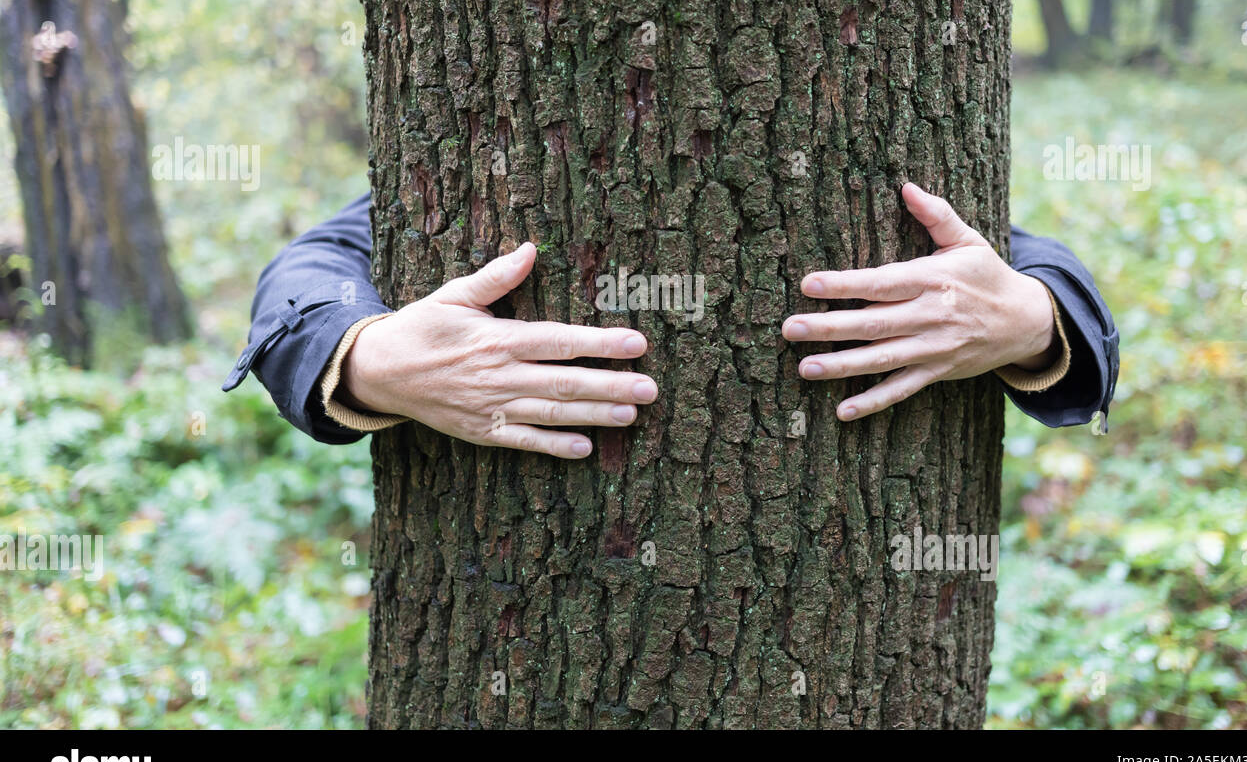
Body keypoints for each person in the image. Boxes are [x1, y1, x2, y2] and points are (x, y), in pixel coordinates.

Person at [223, 183, 1118, 456]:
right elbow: (306, 275)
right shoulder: (443, 179)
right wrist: (368, 355)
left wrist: (1035, 316)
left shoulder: (899, 188)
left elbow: (1035, 264)